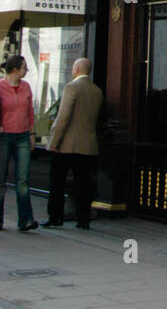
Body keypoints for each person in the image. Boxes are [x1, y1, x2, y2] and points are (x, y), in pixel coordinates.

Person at [44, 58, 104, 230]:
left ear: (77, 69)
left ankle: (55, 216)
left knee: (57, 181)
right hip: (88, 144)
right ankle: (83, 219)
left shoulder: (71, 87)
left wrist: (54, 141)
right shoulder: (97, 91)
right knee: (84, 184)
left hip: (67, 144)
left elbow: (63, 117)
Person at [0, 54, 39, 231]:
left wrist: (32, 133)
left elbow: (30, 112)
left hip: (23, 135)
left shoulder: (26, 87)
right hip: (4, 137)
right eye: (24, 67)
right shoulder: (1, 86)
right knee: (1, 180)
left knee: (22, 179)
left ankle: (26, 220)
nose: (27, 70)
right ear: (15, 69)